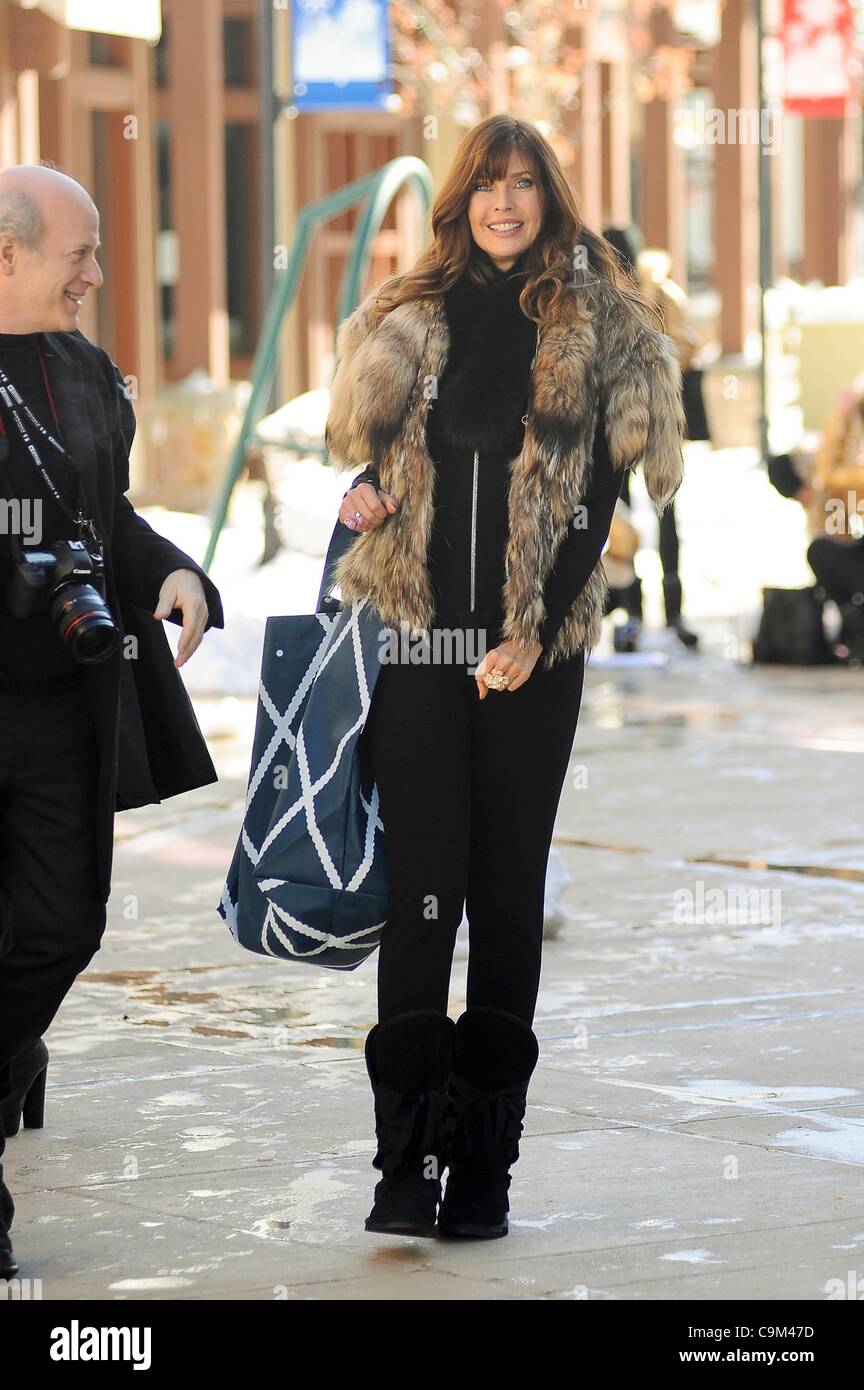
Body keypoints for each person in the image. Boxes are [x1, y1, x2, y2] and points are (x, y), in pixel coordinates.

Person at [323, 117, 684, 1240]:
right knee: (422, 893)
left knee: (506, 898)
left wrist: (535, 625)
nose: (507, 202)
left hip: (535, 657)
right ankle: (401, 1161)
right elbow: (369, 459)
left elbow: (597, 501)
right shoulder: (409, 316)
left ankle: (483, 1165)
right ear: (462, 201)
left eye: (526, 183)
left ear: (552, 197)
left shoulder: (604, 323)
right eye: (489, 183)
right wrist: (365, 497)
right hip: (424, 647)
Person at [0, 165, 223, 1279]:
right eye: (77, 254)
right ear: (8, 254)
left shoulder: (87, 373)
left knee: (62, 926)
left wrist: (172, 571)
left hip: (62, 706)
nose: (97, 274)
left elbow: (109, 515)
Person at [602, 226, 700, 652]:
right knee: (653, 513)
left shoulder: (645, 292)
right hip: (641, 415)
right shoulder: (652, 292)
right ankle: (650, 615)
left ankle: (640, 615)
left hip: (631, 416)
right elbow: (690, 346)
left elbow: (686, 347)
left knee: (627, 510)